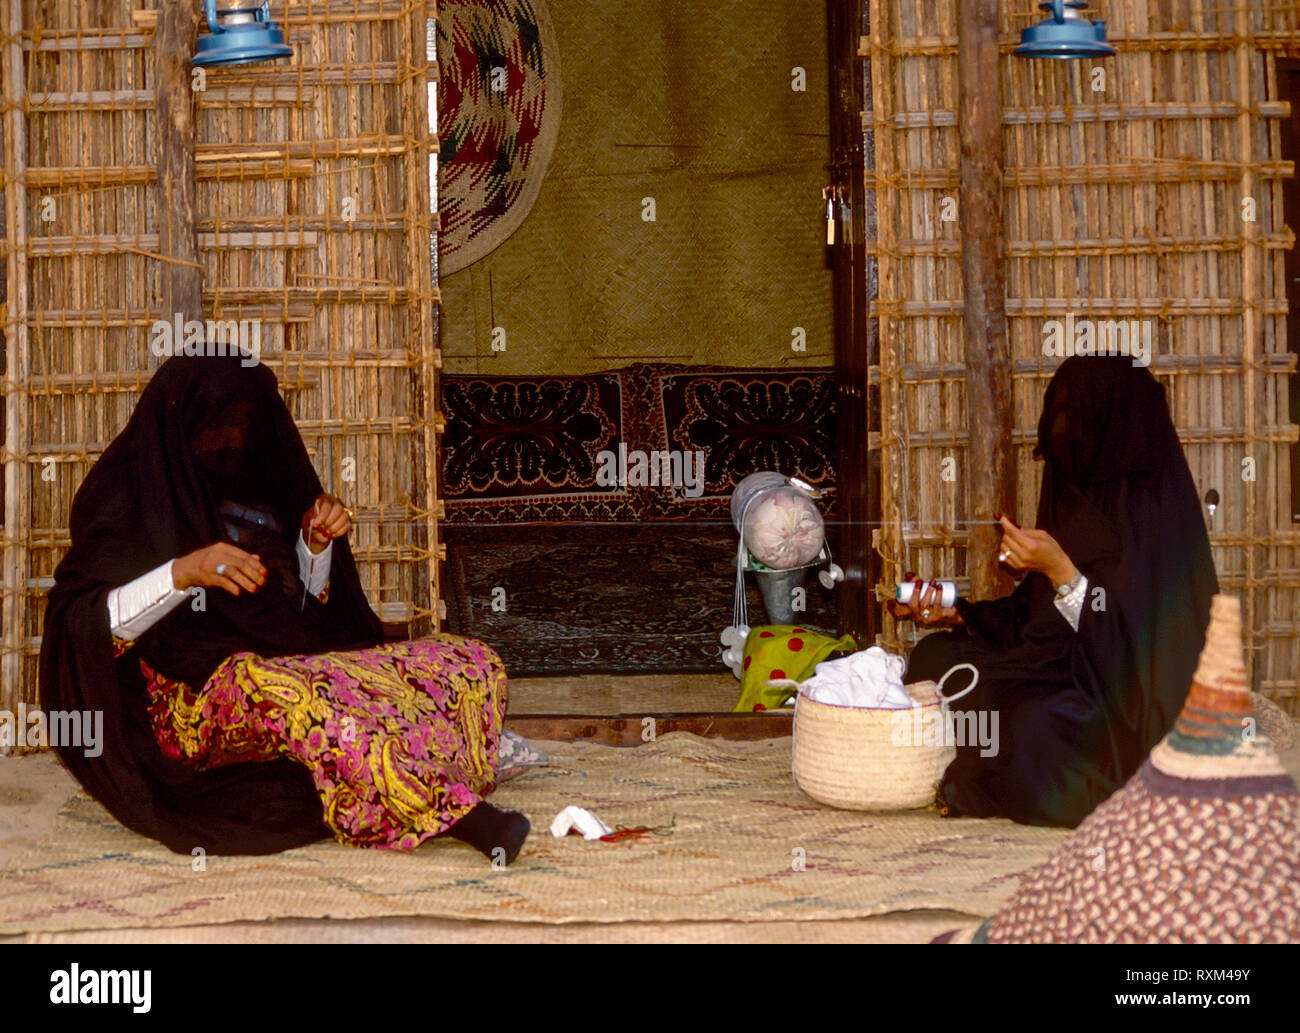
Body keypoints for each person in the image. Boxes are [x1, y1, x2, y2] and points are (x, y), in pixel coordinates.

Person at [40, 354, 530, 862]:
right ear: (182, 422)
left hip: (291, 658)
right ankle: (465, 818)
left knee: (467, 660)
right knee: (306, 699)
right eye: (217, 424)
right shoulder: (127, 495)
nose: (233, 439)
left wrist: (313, 548)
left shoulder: (261, 485)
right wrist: (182, 573)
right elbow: (90, 623)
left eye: (245, 424)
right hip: (194, 690)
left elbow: (301, 613)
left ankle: (420, 759)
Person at [889, 356, 1218, 827]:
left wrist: (1062, 571)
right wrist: (957, 613)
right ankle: (992, 763)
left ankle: (1000, 775)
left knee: (1036, 727)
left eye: (1077, 417)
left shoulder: (1155, 523)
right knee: (938, 658)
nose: (1063, 431)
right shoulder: (1076, 496)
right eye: (1058, 414)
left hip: (1129, 704)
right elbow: (1037, 617)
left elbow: (1140, 660)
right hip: (1061, 668)